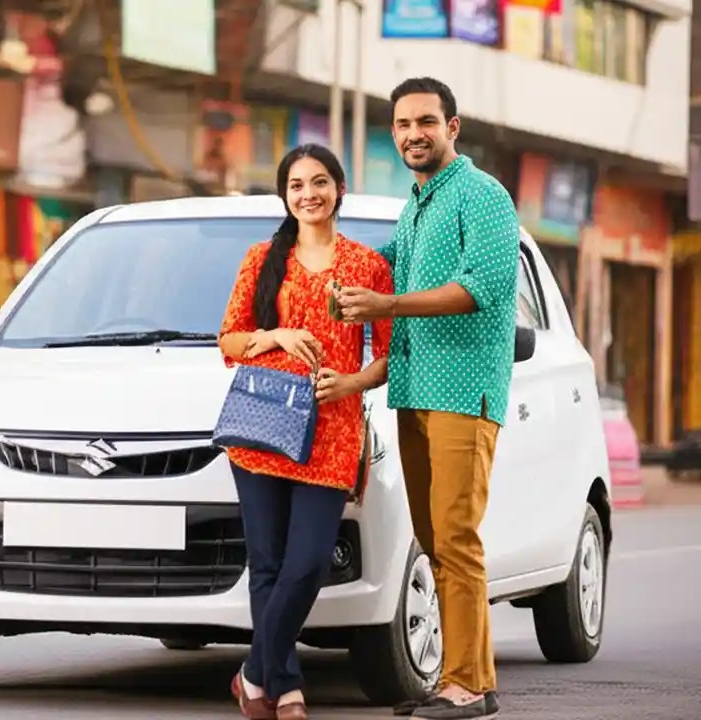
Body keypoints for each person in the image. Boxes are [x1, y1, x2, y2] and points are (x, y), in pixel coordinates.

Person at [333, 77, 518, 720]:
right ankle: (475, 680)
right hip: (413, 389)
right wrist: (310, 258)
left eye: (427, 122)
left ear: (452, 127)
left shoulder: (482, 195)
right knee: (437, 540)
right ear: (393, 134)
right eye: (404, 124)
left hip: (465, 393)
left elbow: (480, 287)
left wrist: (384, 304)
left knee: (456, 537)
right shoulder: (415, 205)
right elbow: (376, 270)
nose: (415, 133)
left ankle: (462, 685)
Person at [217, 144, 393, 720]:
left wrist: (351, 384)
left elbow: (391, 357)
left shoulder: (367, 265)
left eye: (320, 182)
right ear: (285, 195)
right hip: (264, 427)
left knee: (310, 560)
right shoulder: (261, 259)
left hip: (333, 431)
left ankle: (251, 673)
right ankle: (284, 686)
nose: (309, 194)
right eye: (297, 185)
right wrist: (277, 336)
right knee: (266, 561)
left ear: (339, 190)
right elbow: (229, 342)